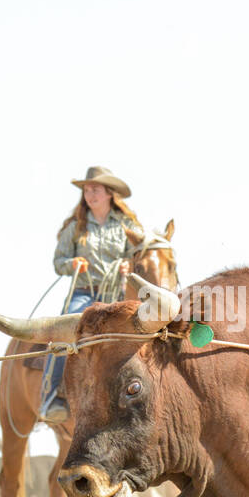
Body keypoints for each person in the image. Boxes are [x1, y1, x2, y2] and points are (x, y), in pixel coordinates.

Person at [42, 166, 143, 423]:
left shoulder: (125, 226)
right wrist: (73, 263)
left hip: (116, 295)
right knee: (64, 329)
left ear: (109, 193)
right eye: (87, 190)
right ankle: (53, 395)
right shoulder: (76, 227)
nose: (90, 194)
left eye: (95, 189)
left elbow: (139, 256)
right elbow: (58, 261)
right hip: (84, 293)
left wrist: (127, 265)